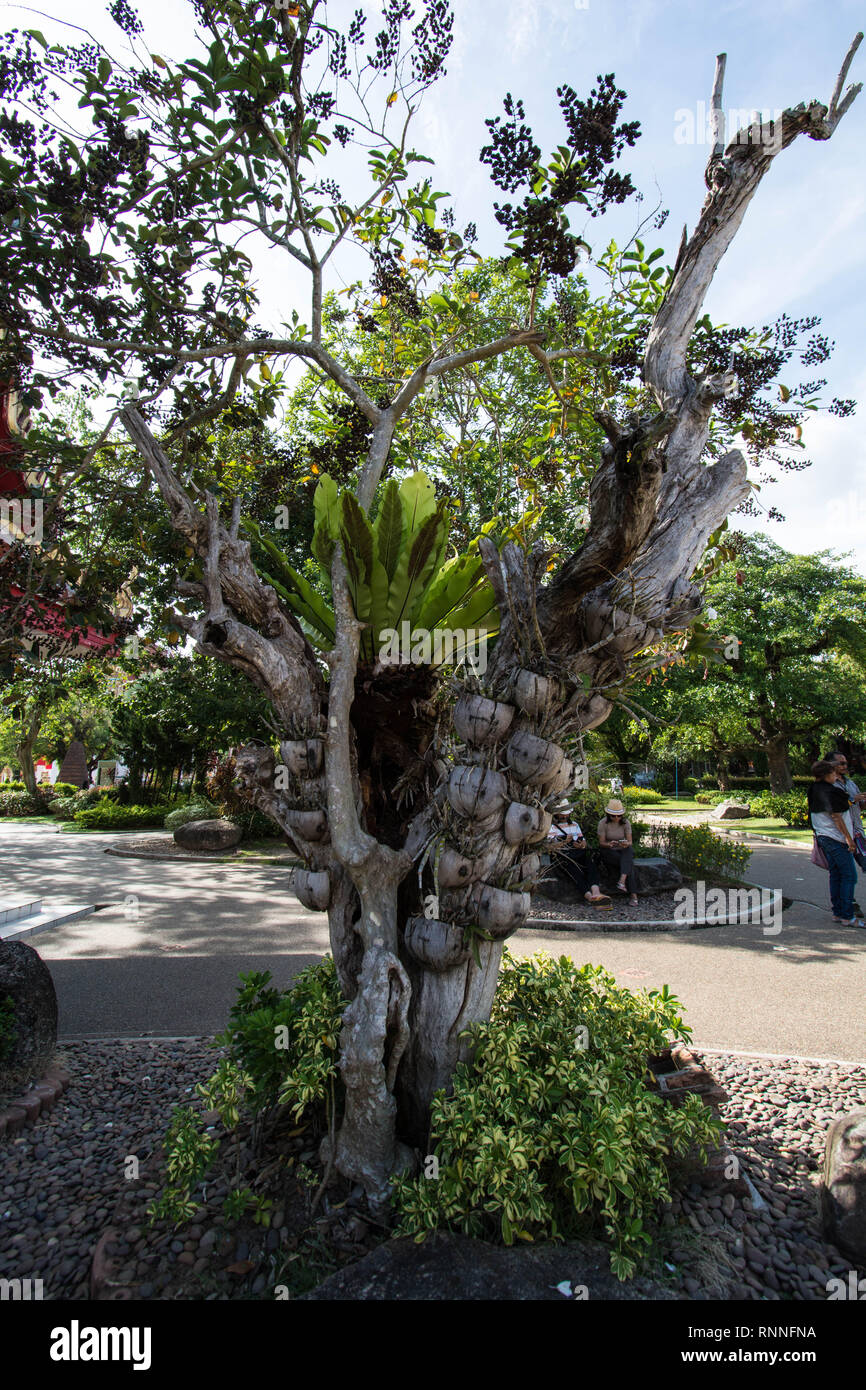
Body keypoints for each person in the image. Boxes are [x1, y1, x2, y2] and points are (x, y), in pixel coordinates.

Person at [807, 760, 863, 928]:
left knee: (837, 874)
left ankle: (838, 912)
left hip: (824, 836)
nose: (836, 776)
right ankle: (847, 916)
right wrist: (849, 839)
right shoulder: (830, 792)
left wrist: (852, 801)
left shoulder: (815, 789)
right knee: (849, 876)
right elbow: (837, 816)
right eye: (833, 773)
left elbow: (839, 807)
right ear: (826, 775)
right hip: (835, 838)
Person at [546, 804, 610, 905]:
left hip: (577, 853)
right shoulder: (552, 827)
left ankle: (596, 891)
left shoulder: (575, 825)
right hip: (563, 856)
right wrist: (563, 842)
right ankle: (589, 896)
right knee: (575, 872)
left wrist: (581, 845)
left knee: (590, 865)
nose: (564, 817)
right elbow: (549, 845)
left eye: (566, 814)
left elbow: (583, 841)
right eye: (562, 814)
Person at [596, 799, 639, 906]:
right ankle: (633, 895)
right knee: (629, 864)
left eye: (619, 816)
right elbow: (601, 842)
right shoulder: (602, 823)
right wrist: (609, 844)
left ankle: (622, 880)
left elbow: (630, 842)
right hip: (609, 851)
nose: (616, 818)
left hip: (622, 850)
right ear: (608, 815)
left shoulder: (626, 823)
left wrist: (625, 843)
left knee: (628, 851)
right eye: (613, 816)